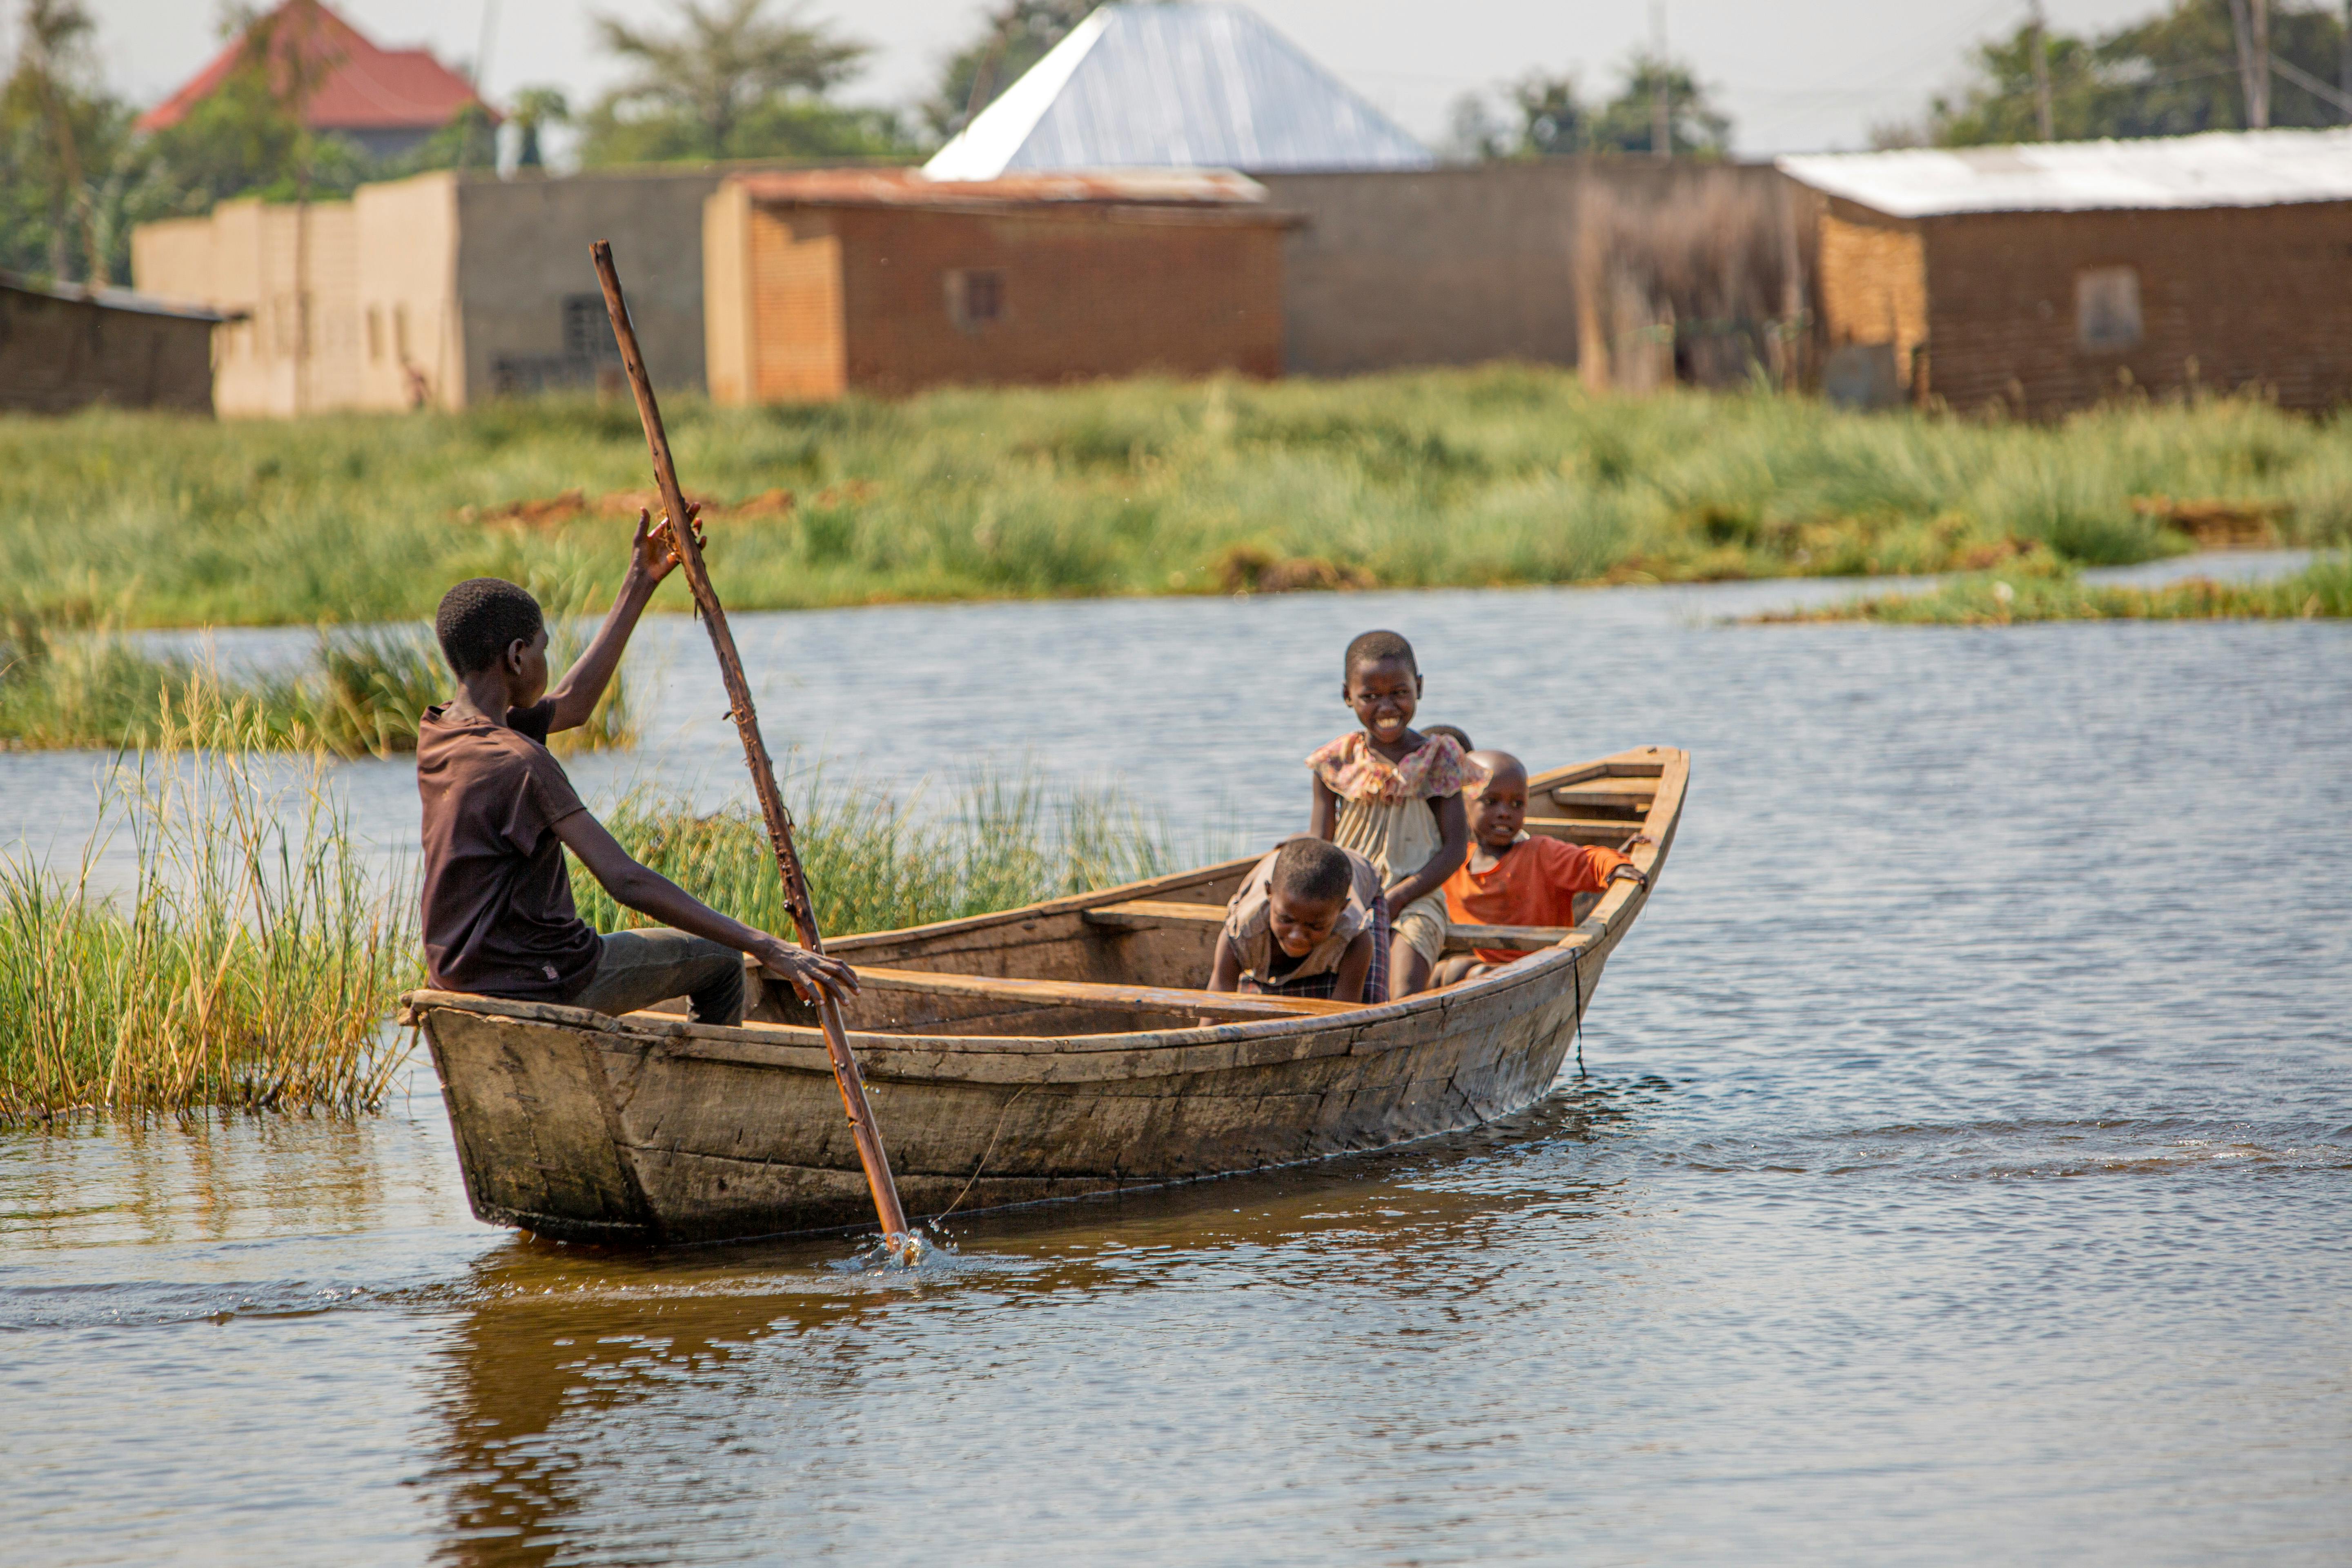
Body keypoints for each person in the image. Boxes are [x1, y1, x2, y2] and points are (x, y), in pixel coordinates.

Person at [416, 512, 857, 1026]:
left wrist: (640, 582)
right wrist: (774, 948)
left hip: (460, 976)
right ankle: (698, 1099)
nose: (545, 661)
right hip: (548, 978)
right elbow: (625, 880)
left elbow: (575, 704)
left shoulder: (442, 730)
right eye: (543, 649)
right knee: (721, 960)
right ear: (517, 657)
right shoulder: (522, 762)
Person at [1305, 630, 1473, 999]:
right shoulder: (1334, 761)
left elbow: (1455, 849)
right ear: (1348, 697)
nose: (1386, 707)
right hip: (1348, 898)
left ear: (1419, 688)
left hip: (1417, 898)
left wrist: (1398, 898)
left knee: (1402, 988)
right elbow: (1321, 844)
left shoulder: (1439, 758)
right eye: (1370, 697)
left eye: (1399, 693)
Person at [1431, 749, 1650, 987]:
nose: (1505, 813)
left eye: (1517, 804)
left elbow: (1587, 861)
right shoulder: (1452, 862)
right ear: (1463, 806)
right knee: (1441, 971)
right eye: (1491, 802)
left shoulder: (1540, 853)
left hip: (1537, 969)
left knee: (1465, 970)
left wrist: (1615, 866)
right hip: (1479, 965)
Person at [1207, 837, 1388, 1004]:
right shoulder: (1241, 933)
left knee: (1371, 1003)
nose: (1297, 936)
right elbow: (1216, 1007)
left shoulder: (1356, 937)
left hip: (1364, 878)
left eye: (1315, 926)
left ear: (1342, 910)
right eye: (1286, 920)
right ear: (1269, 893)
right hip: (1274, 876)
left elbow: (1346, 1015)